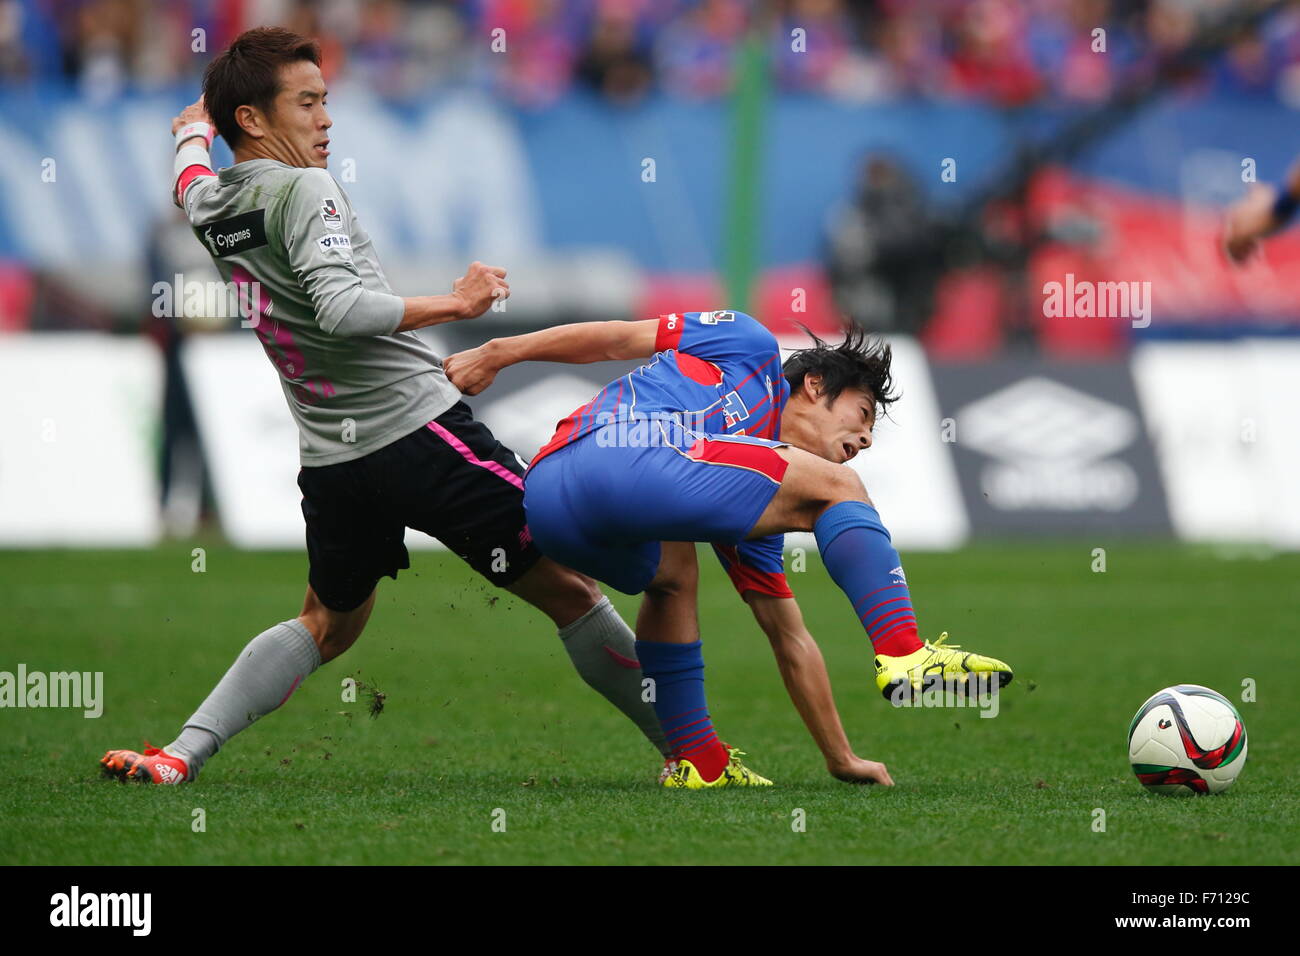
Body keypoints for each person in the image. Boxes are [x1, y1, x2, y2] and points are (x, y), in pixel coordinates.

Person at [101, 27, 669, 785]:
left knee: (327, 625)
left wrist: (191, 133)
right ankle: (693, 754)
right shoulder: (307, 189)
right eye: (306, 103)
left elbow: (188, 176)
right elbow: (341, 310)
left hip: (333, 460)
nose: (325, 119)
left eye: (325, 101)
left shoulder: (211, 206)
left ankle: (178, 756)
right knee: (574, 589)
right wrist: (458, 301)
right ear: (255, 121)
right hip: (421, 436)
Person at [445, 310, 1015, 788]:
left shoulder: (746, 502)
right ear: (816, 386)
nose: (866, 439)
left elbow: (790, 637)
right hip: (619, 450)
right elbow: (618, 338)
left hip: (550, 504)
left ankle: (698, 760)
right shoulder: (749, 347)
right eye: (862, 415)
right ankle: (905, 653)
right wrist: (499, 350)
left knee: (673, 575)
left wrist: (841, 757)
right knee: (839, 488)